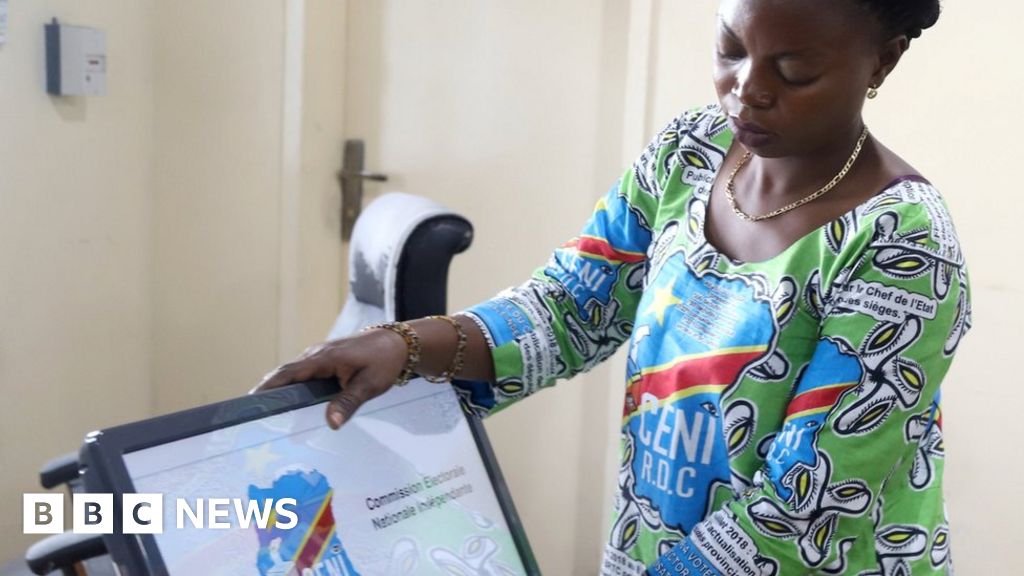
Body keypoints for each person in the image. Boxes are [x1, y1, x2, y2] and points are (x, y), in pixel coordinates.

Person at [252, 0, 971, 573]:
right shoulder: (689, 154)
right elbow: (568, 307)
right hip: (652, 551)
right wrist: (405, 346)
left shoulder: (902, 243)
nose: (747, 90)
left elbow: (809, 502)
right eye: (730, 49)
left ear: (884, 56)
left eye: (793, 70)